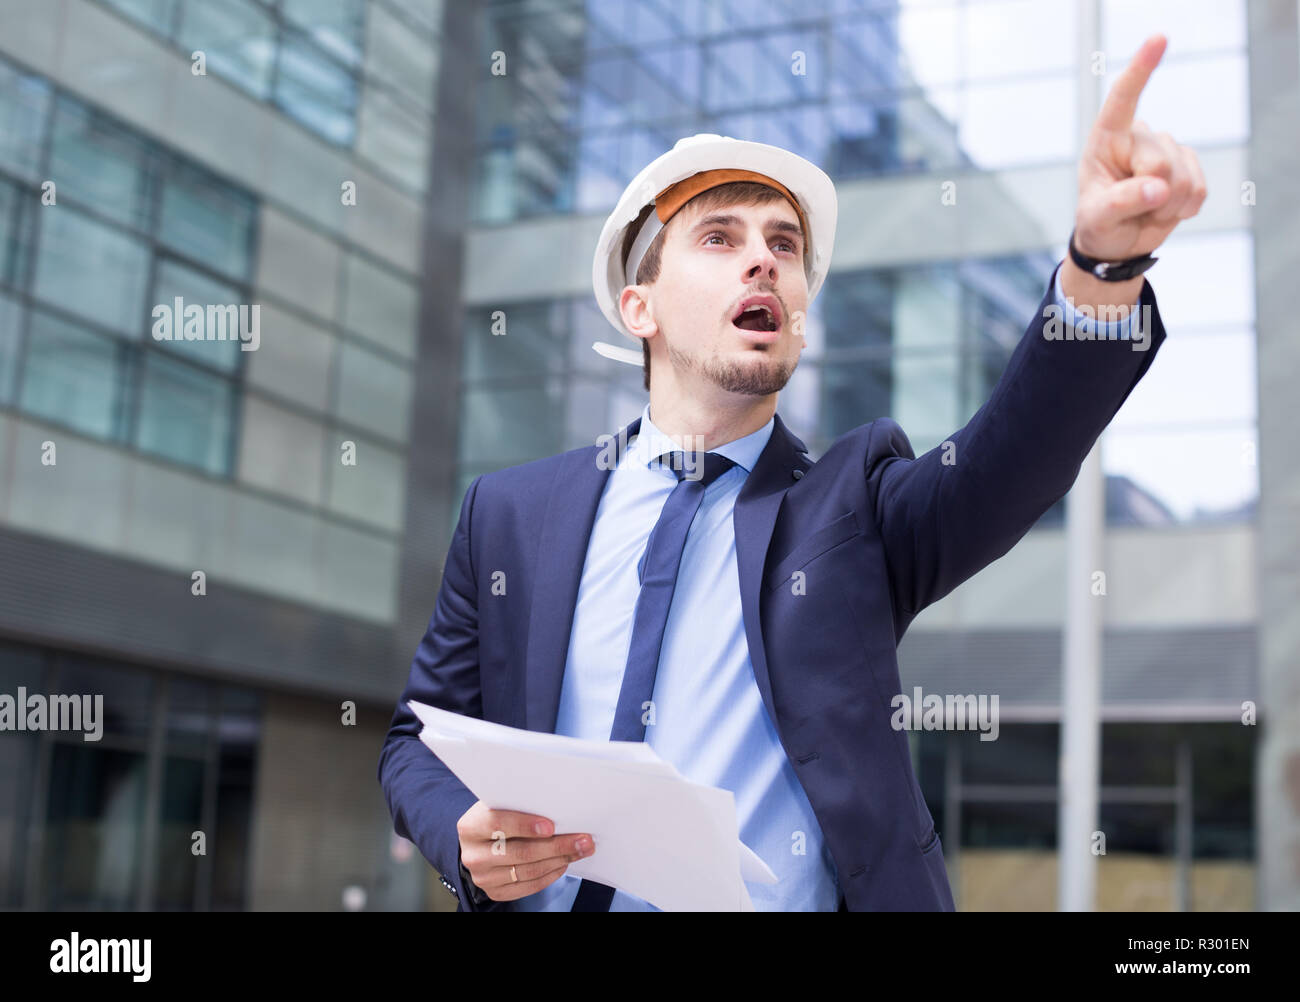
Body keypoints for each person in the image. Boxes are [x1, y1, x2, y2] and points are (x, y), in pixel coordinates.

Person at [378, 34, 1206, 911]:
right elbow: (414, 741)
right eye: (719, 236)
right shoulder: (508, 514)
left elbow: (1017, 452)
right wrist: (463, 833)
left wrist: (1102, 269)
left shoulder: (853, 509)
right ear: (640, 306)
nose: (764, 257)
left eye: (783, 243)